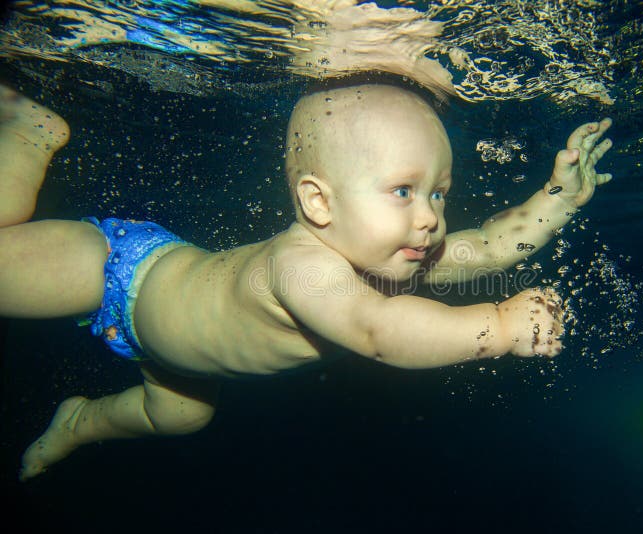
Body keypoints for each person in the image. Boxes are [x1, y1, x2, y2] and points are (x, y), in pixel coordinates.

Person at [0, 81, 612, 481]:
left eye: (437, 194)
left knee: (182, 418)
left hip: (176, 364)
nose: (430, 216)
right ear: (319, 203)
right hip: (118, 274)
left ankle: (77, 424)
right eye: (403, 190)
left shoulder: (395, 253)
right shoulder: (302, 268)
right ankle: (29, 137)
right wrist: (498, 327)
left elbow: (490, 247)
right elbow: (378, 330)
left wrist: (559, 197)